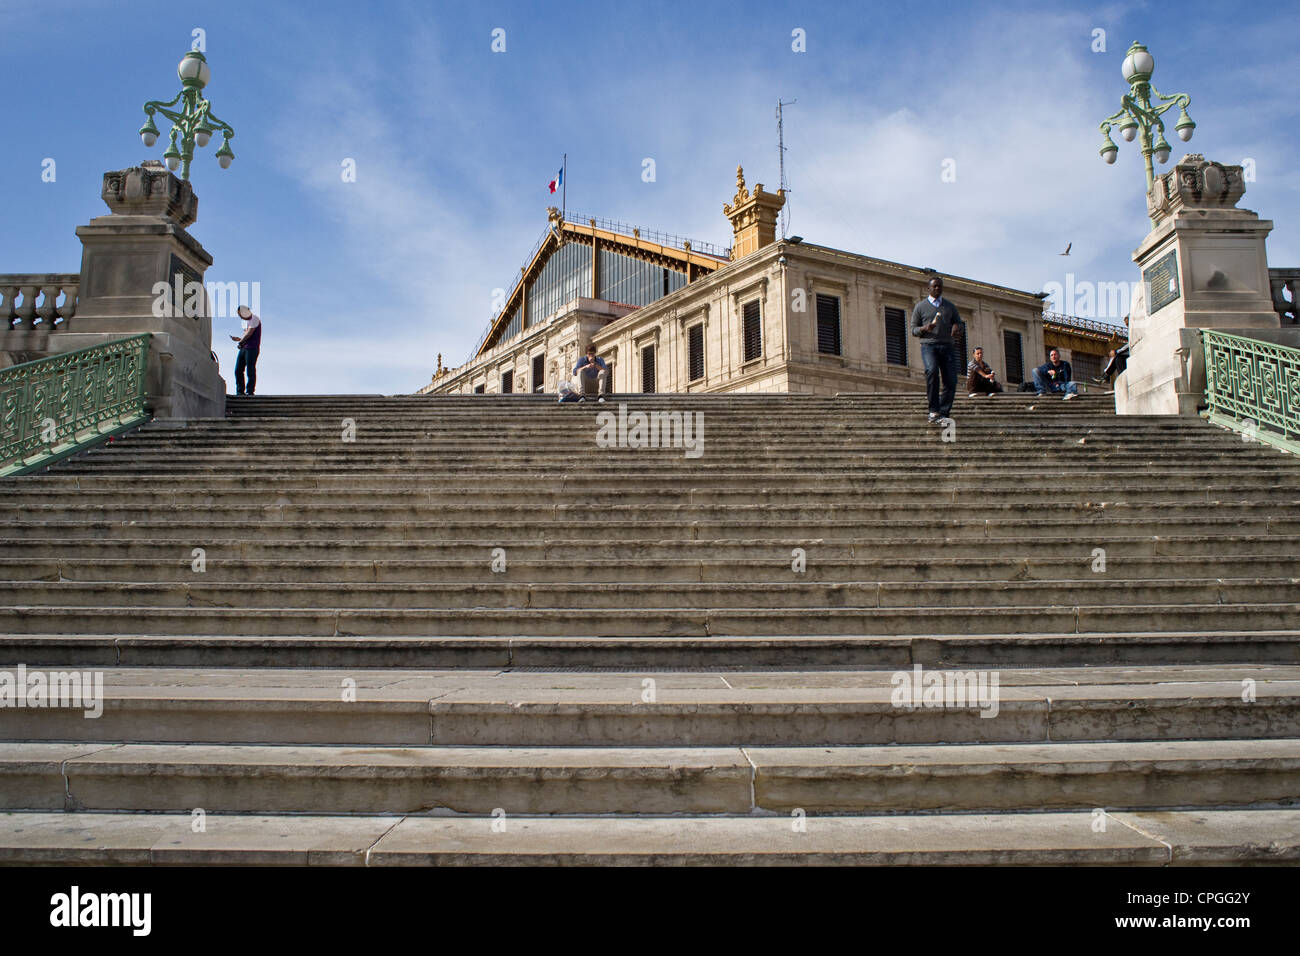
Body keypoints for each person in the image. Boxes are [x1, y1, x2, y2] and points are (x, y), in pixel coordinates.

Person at [911, 276, 964, 424]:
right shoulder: (920, 307)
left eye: (939, 286)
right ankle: (933, 410)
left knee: (951, 381)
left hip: (947, 346)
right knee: (932, 371)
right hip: (929, 345)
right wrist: (924, 328)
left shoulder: (949, 307)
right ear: (928, 288)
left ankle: (944, 411)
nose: (937, 288)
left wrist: (957, 327)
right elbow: (913, 330)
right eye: (934, 286)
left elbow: (959, 324)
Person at [230, 305, 262, 396]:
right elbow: (246, 336)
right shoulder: (246, 322)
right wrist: (239, 339)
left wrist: (241, 341)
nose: (240, 317)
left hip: (252, 348)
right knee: (238, 370)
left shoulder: (254, 319)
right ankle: (240, 391)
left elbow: (249, 333)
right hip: (244, 347)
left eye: (240, 315)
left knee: (250, 369)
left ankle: (250, 391)